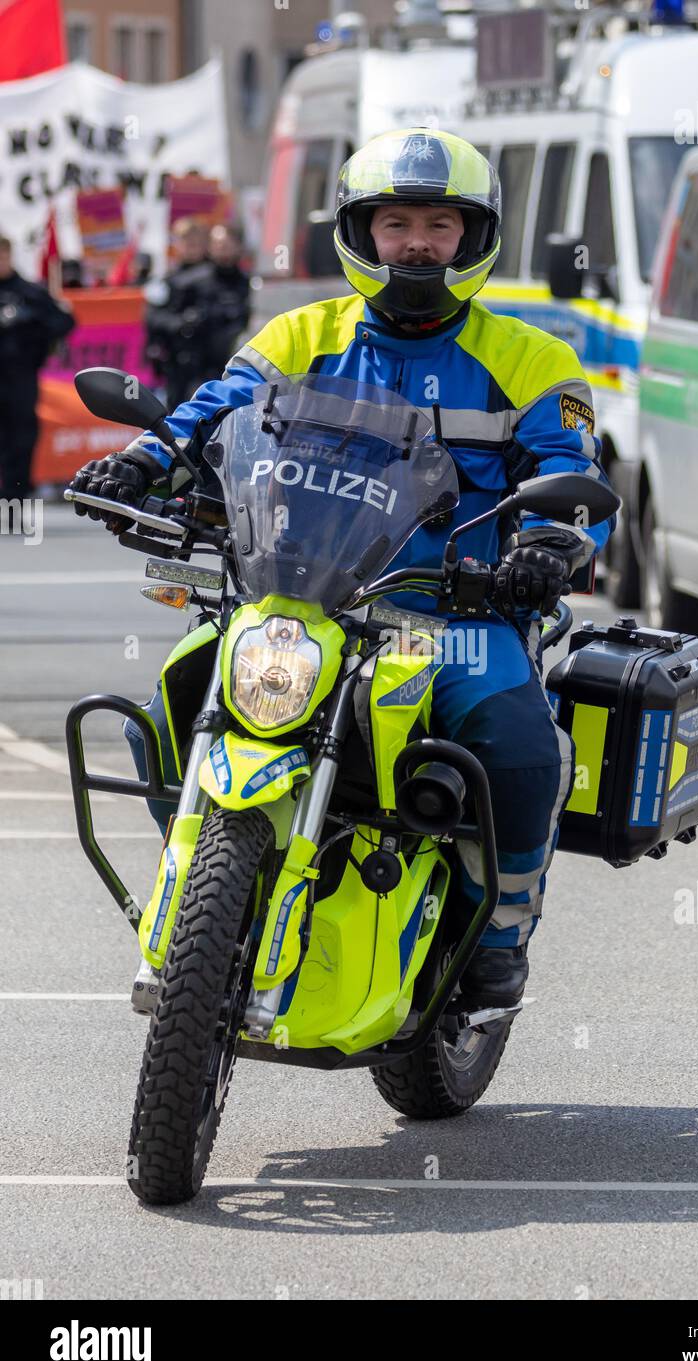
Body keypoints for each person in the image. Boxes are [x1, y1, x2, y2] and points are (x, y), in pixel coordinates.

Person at [69, 129, 615, 1011]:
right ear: (359, 234)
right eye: (395, 222)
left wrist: (547, 543)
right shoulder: (300, 334)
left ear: (476, 239)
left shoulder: (529, 357)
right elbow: (210, 415)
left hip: (452, 616)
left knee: (515, 749)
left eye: (441, 224)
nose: (417, 244)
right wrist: (139, 462)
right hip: (297, 595)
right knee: (166, 710)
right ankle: (221, 885)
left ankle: (501, 931)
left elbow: (572, 474)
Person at [0, 234, 75, 498]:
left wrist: (29, 322)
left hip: (20, 375)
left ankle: (14, 498)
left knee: (21, 438)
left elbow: (65, 320)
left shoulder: (29, 292)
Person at [143, 217, 213, 410]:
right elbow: (152, 316)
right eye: (186, 242)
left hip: (209, 361)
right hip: (176, 361)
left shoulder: (215, 276)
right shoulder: (167, 279)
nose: (191, 247)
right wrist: (180, 323)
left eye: (195, 243)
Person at [206, 224, 251, 370]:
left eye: (227, 245)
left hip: (236, 362)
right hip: (198, 366)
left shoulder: (251, 284)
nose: (222, 249)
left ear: (238, 246)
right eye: (218, 244)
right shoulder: (193, 283)